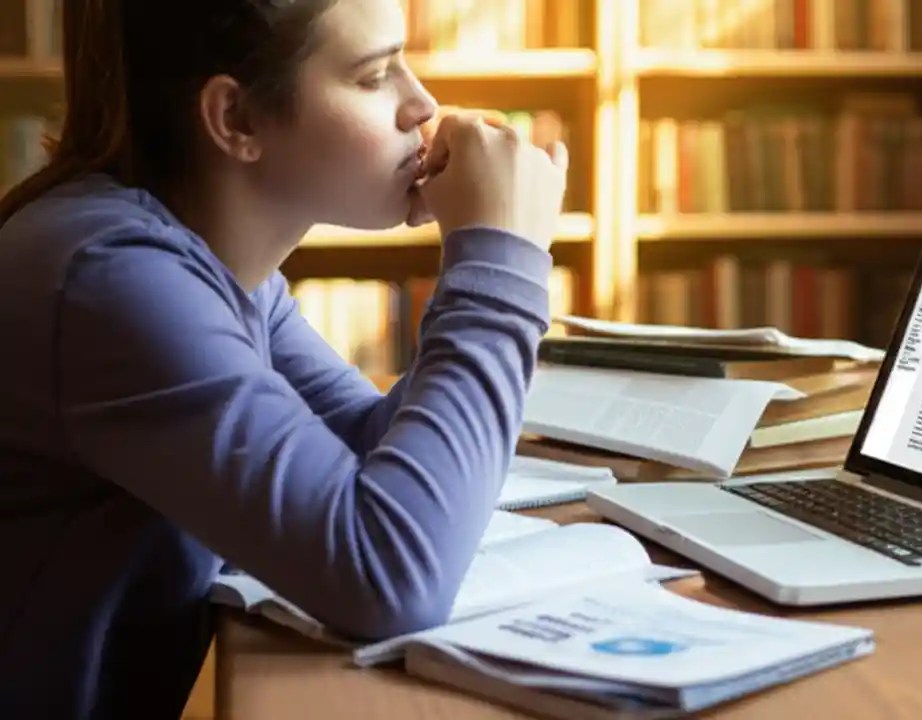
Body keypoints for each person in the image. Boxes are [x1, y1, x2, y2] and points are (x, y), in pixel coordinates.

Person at [0, 1, 567, 717]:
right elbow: (390, 574)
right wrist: (499, 261)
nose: (421, 103)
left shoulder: (218, 268)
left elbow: (365, 447)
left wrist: (492, 262)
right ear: (235, 119)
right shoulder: (114, 281)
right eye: (375, 74)